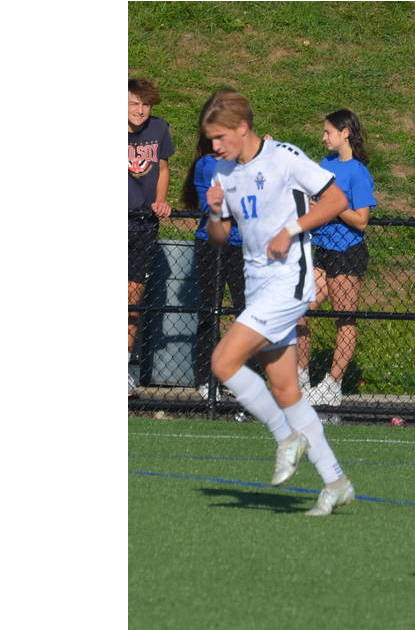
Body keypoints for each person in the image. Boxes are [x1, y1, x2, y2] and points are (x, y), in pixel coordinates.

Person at [201, 90, 356, 516]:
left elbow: (338, 199)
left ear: (241, 128)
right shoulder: (223, 172)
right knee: (286, 388)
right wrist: (215, 213)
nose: (213, 147)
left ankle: (285, 435)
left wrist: (291, 229)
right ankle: (336, 480)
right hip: (257, 281)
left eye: (218, 137)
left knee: (223, 363)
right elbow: (220, 238)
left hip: (290, 279)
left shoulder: (283, 156)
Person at [297, 109, 376, 413]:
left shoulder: (357, 172)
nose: (323, 137)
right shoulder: (325, 165)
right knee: (300, 311)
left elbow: (361, 221)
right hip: (322, 249)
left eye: (328, 131)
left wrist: (334, 206)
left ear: (345, 133)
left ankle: (333, 385)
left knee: (344, 318)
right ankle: (301, 379)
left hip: (347, 252)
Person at [183, 90, 245, 401]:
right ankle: (206, 378)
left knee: (244, 313)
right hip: (211, 244)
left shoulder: (243, 161)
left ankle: (236, 376)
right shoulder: (207, 165)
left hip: (241, 246)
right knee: (210, 310)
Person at [128, 78, 175, 395]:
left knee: (131, 302)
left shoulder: (159, 129)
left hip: (143, 225)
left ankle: (123, 367)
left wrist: (160, 200)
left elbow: (163, 167)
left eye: (145, 104)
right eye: (134, 103)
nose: (140, 110)